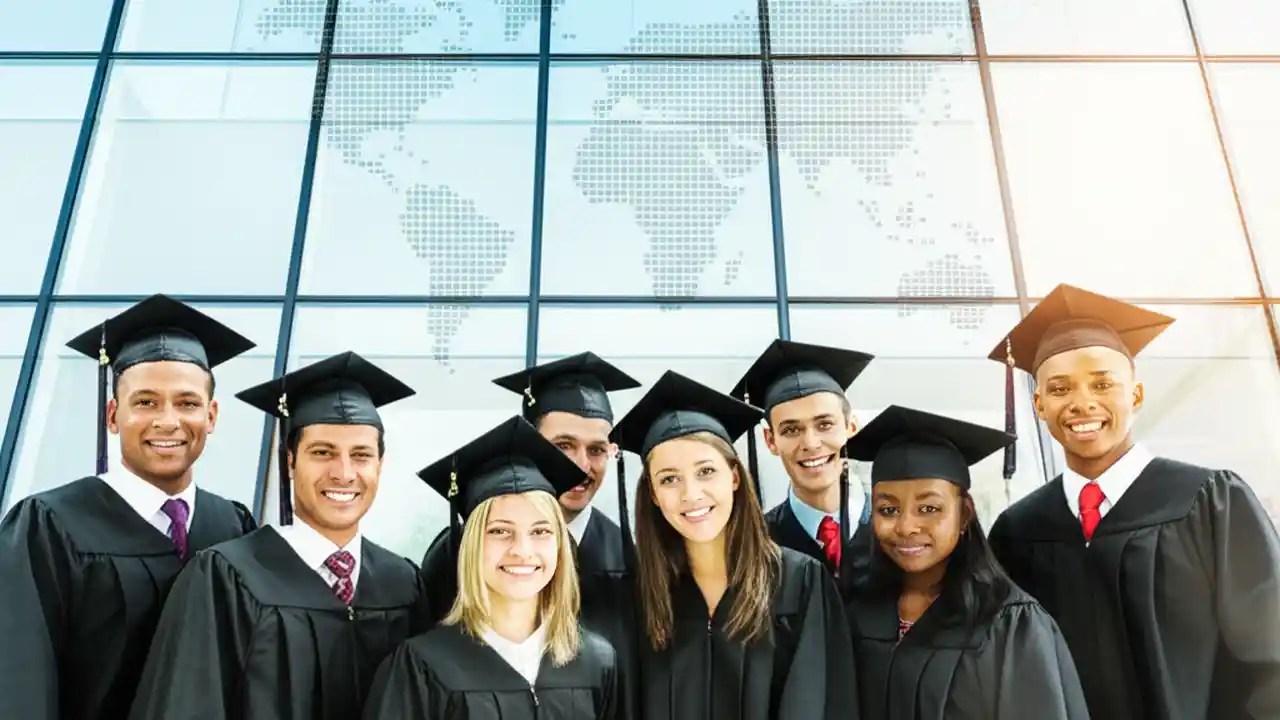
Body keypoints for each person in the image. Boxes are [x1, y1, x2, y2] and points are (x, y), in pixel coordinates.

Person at [986, 283, 1280, 719]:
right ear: (1039, 405)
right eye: (1061, 389)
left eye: (1102, 384)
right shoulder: (1018, 532)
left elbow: (1271, 653)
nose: (1082, 403)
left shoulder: (1209, 502)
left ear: (1136, 395)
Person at [128, 351, 427, 719]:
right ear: (290, 461)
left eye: (361, 455)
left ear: (381, 465)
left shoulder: (403, 585)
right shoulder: (227, 578)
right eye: (323, 452)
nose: (344, 473)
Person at [0, 294, 258, 720]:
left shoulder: (234, 527)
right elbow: (18, 681)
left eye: (188, 403)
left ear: (211, 416)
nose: (168, 420)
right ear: (113, 415)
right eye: (146, 402)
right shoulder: (49, 526)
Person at [611, 370, 856, 719]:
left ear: (735, 477)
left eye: (706, 471)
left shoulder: (799, 582)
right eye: (669, 479)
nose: (691, 494)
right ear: (652, 494)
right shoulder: (634, 594)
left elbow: (821, 703)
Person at [419, 352, 642, 717]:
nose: (581, 466)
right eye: (563, 445)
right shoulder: (456, 552)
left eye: (597, 450)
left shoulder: (628, 559)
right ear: (530, 441)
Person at [364, 416, 618, 718]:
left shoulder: (596, 662)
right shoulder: (422, 668)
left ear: (560, 546)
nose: (522, 550)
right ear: (472, 545)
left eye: (540, 531)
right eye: (500, 531)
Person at [845, 404, 1088, 718]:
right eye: (888, 510)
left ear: (964, 515)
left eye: (929, 509)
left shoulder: (1009, 624)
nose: (906, 527)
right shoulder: (857, 610)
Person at [732, 339, 875, 593]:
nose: (810, 443)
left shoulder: (894, 529)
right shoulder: (757, 543)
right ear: (771, 441)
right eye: (791, 430)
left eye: (824, 425)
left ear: (850, 426)